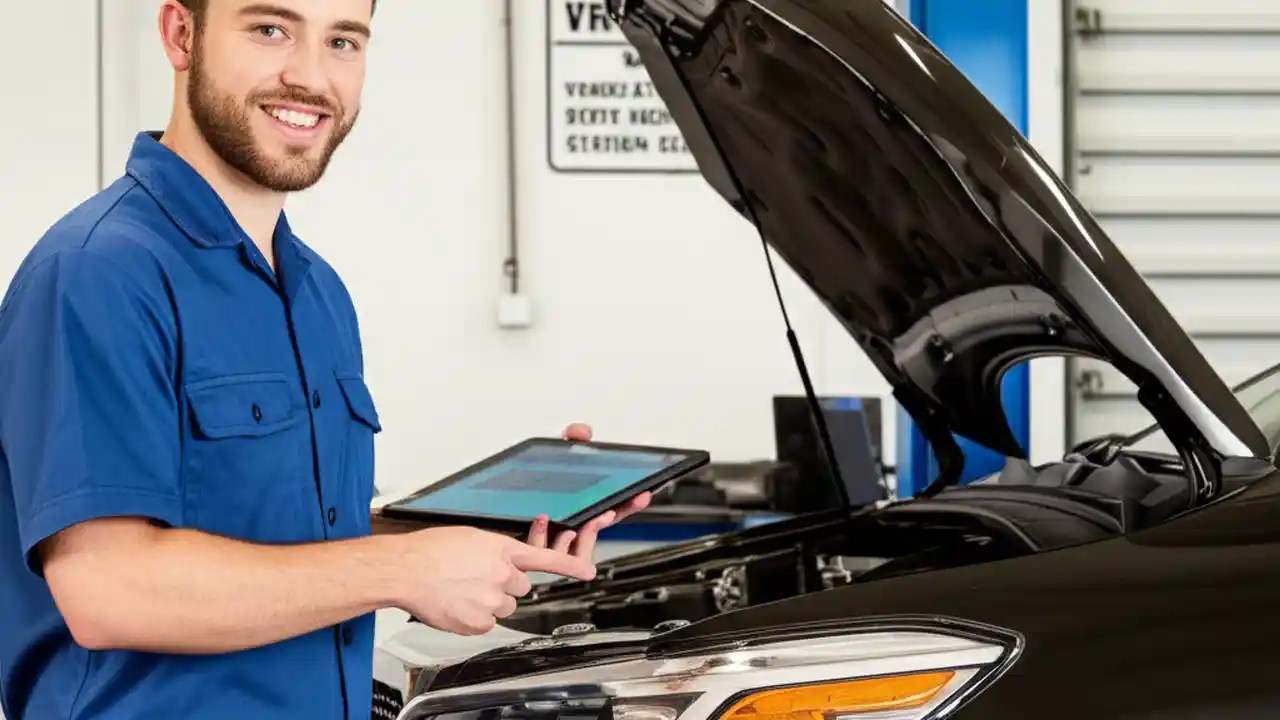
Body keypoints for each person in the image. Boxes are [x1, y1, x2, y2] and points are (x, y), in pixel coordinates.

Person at [0, 1, 651, 718]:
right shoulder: (97, 271)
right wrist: (400, 568)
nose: (310, 76)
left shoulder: (317, 292)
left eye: (342, 41)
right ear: (181, 35)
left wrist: (457, 540)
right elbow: (110, 590)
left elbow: (290, 540)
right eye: (271, 29)